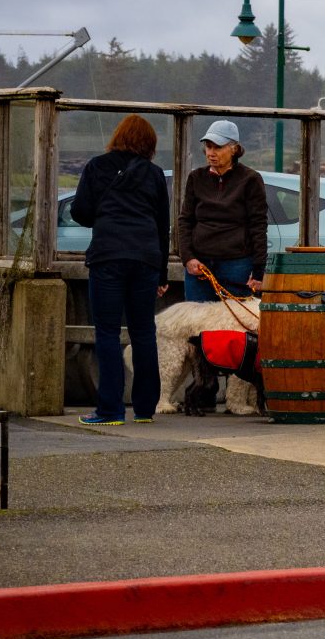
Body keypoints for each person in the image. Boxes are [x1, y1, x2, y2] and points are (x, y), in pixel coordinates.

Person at [68, 113, 170, 425]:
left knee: (108, 333)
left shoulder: (97, 167)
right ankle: (145, 408)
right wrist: (162, 274)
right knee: (144, 331)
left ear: (117, 137)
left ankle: (110, 409)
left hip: (108, 256)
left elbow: (80, 211)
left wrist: (103, 215)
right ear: (149, 143)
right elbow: (162, 224)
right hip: (145, 258)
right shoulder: (154, 174)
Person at [179, 119, 268, 302]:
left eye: (217, 147)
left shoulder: (251, 179)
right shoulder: (196, 177)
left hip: (237, 264)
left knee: (235, 319)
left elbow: (258, 225)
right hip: (200, 264)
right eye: (208, 147)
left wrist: (258, 270)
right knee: (197, 318)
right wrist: (187, 257)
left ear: (234, 149)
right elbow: (185, 220)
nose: (211, 153)